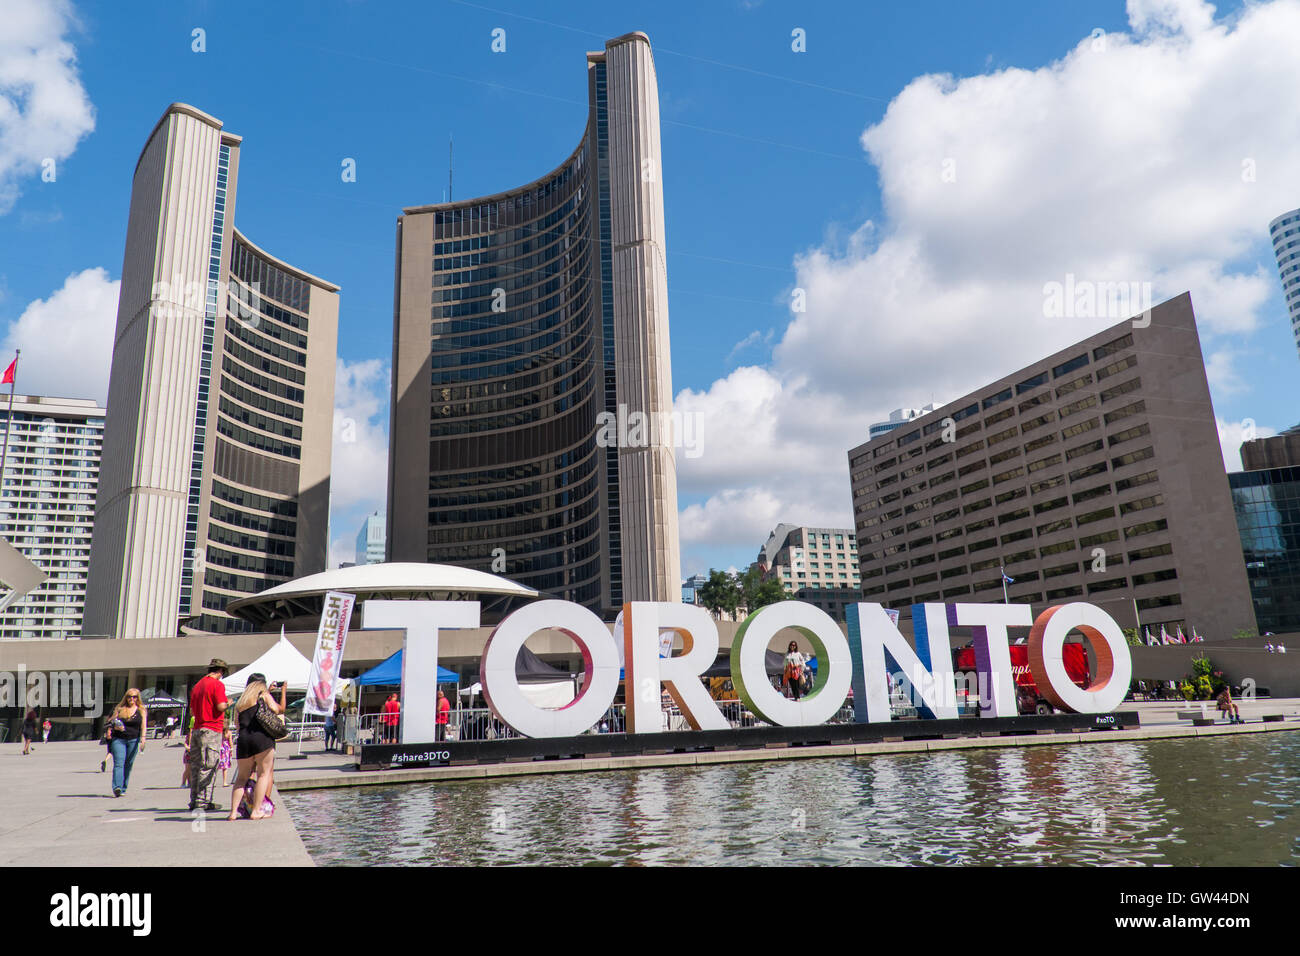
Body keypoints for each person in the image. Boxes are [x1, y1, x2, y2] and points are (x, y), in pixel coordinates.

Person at [228, 675, 286, 821]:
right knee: (263, 774)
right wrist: (283, 691)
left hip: (243, 740)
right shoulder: (263, 694)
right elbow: (279, 710)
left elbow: (237, 724)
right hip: (262, 739)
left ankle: (233, 812)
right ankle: (256, 811)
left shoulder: (240, 702)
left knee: (241, 778)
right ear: (262, 684)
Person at [188, 658, 230, 812]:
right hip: (211, 729)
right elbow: (220, 706)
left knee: (196, 766)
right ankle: (203, 802)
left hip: (198, 728)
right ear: (221, 671)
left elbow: (192, 711)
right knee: (209, 765)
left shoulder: (197, 686)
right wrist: (228, 703)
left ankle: (194, 800)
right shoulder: (217, 685)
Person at [107, 689, 147, 796]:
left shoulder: (141, 710)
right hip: (119, 739)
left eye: (134, 697)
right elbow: (110, 722)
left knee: (128, 764)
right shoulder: (120, 709)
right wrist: (115, 726)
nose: (131, 699)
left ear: (138, 698)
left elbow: (143, 726)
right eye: (129, 697)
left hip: (133, 740)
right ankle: (117, 787)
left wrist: (143, 738)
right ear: (126, 697)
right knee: (119, 763)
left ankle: (124, 787)